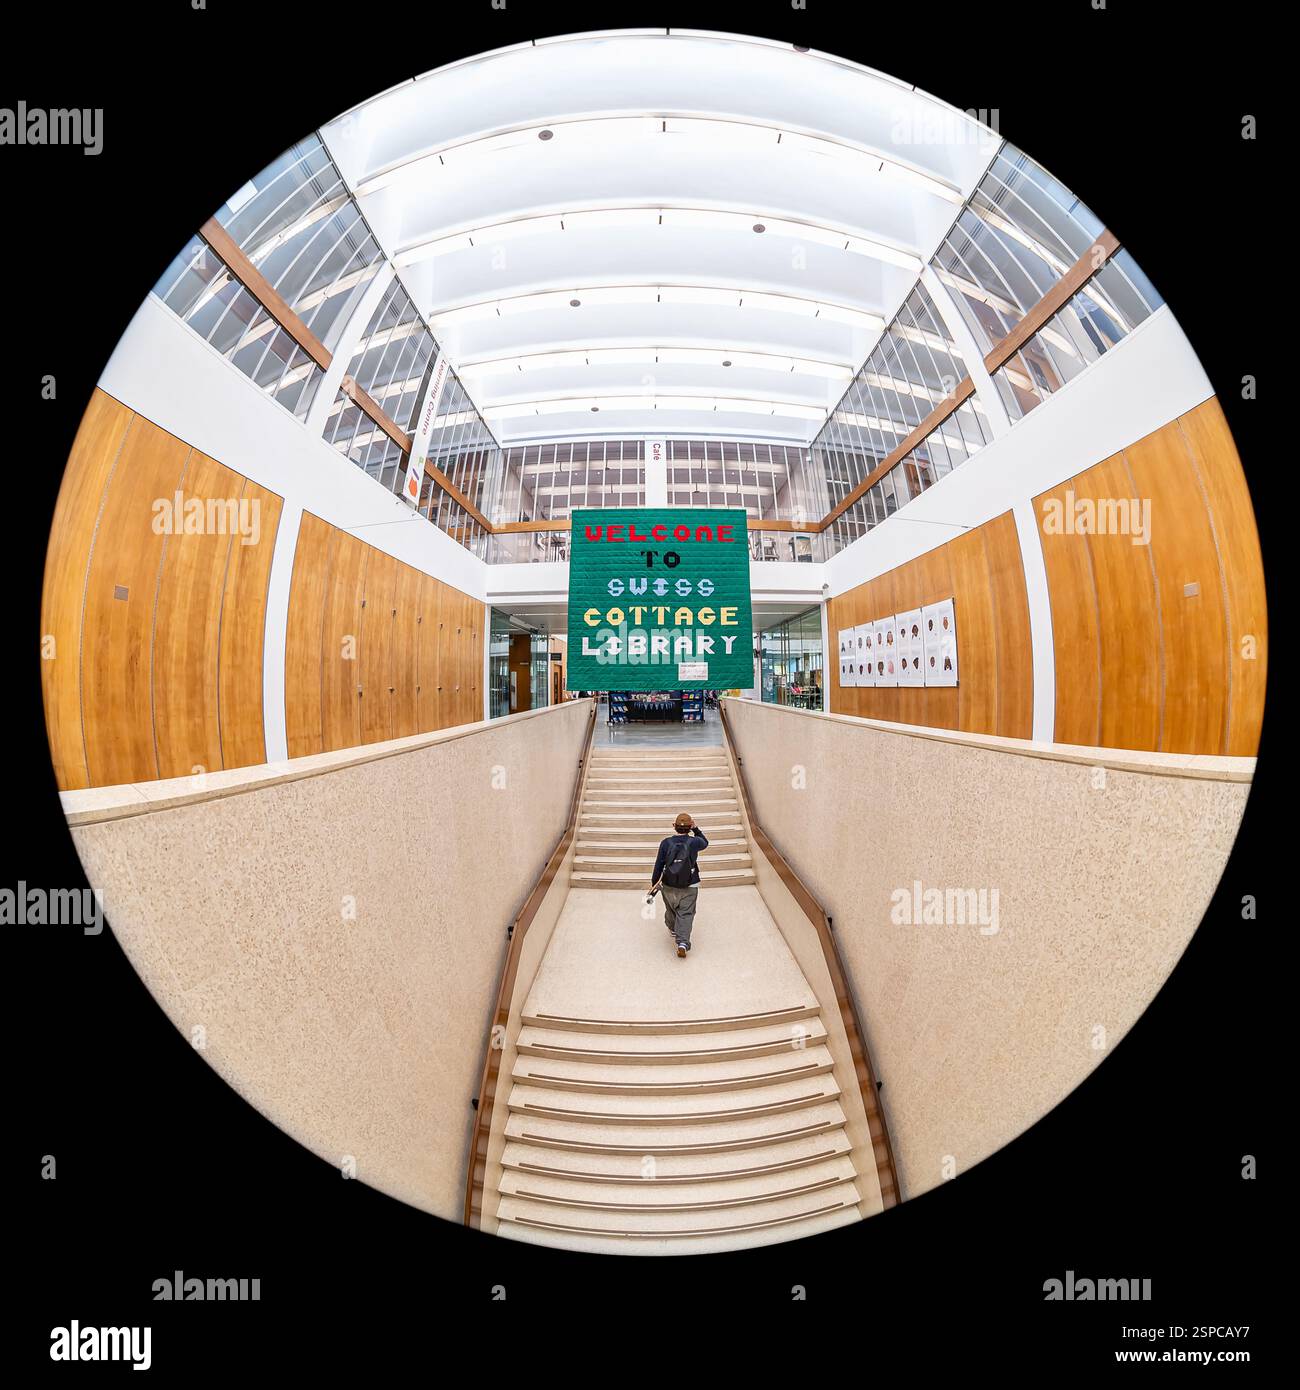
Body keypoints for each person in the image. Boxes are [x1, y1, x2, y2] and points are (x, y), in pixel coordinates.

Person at [650, 812, 709, 958]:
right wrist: (696, 829)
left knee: (671, 910)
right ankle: (682, 943)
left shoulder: (666, 843)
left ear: (674, 826)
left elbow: (659, 864)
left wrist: (654, 883)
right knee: (686, 913)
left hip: (668, 884)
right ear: (689, 827)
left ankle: (672, 928)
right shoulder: (694, 842)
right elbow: (705, 842)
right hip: (690, 884)